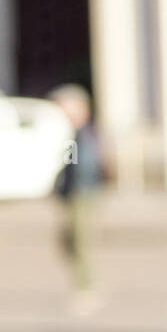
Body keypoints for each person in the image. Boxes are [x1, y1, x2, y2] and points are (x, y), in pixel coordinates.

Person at [50, 84, 103, 313]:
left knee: (80, 240)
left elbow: (84, 167)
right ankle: (83, 286)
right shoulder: (71, 133)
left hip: (81, 194)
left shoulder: (83, 134)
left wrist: (74, 187)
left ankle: (86, 288)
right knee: (67, 240)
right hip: (74, 194)